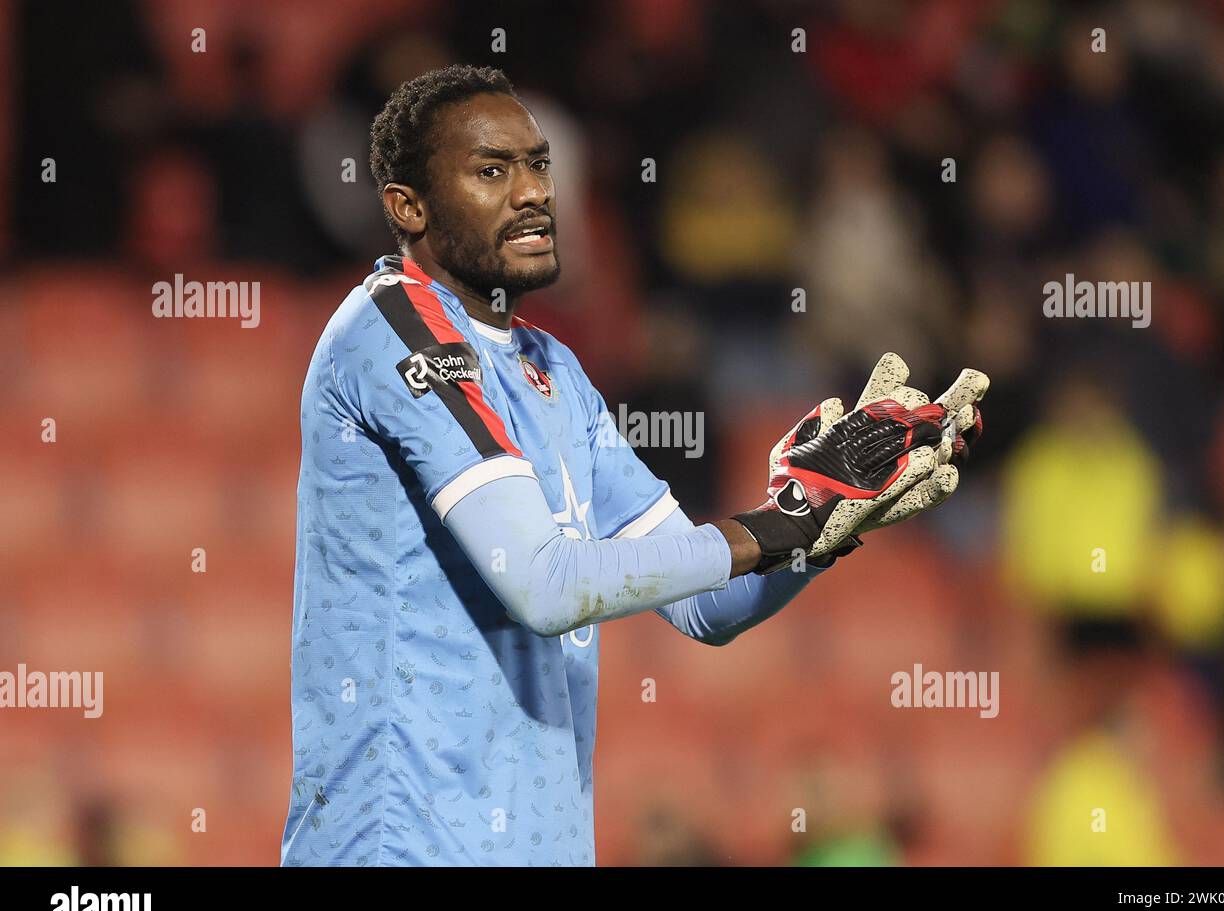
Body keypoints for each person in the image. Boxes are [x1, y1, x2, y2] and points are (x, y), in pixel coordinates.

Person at [281, 64, 983, 866]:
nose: (533, 192)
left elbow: (706, 610)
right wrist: (774, 526)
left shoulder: (555, 372)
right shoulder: (392, 329)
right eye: (491, 170)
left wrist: (819, 523)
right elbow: (543, 584)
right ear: (408, 206)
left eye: (539, 164)